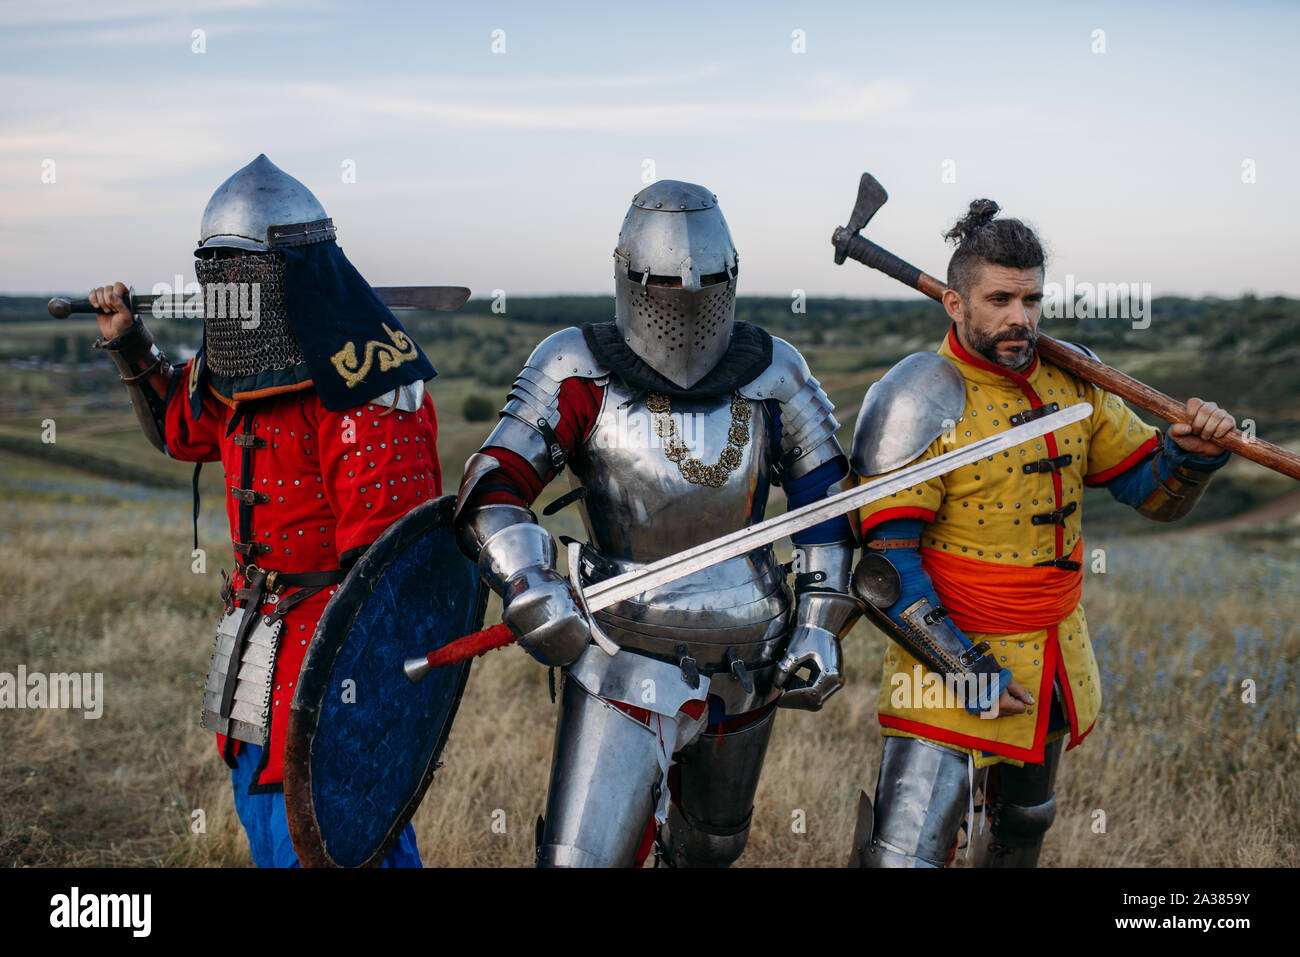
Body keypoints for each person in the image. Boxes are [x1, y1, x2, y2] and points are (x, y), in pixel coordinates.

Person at [453, 180, 862, 867]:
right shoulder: (576, 367)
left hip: (750, 651)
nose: (687, 304)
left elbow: (827, 513)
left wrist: (819, 626)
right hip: (619, 648)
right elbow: (494, 486)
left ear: (731, 279)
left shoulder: (775, 372)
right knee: (581, 857)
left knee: (709, 850)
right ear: (630, 280)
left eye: (705, 286)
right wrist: (527, 578)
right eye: (666, 285)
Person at [848, 198, 1236, 867]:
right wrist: (972, 674)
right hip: (945, 663)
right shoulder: (918, 397)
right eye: (999, 299)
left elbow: (1152, 494)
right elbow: (884, 574)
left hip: (1053, 656)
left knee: (1021, 830)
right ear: (954, 302)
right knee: (906, 855)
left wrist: (1192, 453)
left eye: (1032, 299)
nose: (1019, 318)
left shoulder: (1071, 379)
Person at [88, 154, 441, 867]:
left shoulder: (366, 385)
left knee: (342, 841)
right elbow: (181, 430)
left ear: (286, 272)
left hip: (332, 661)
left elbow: (389, 576)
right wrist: (130, 340)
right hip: (255, 640)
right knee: (271, 828)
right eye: (213, 272)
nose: (224, 292)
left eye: (236, 272)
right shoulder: (239, 364)